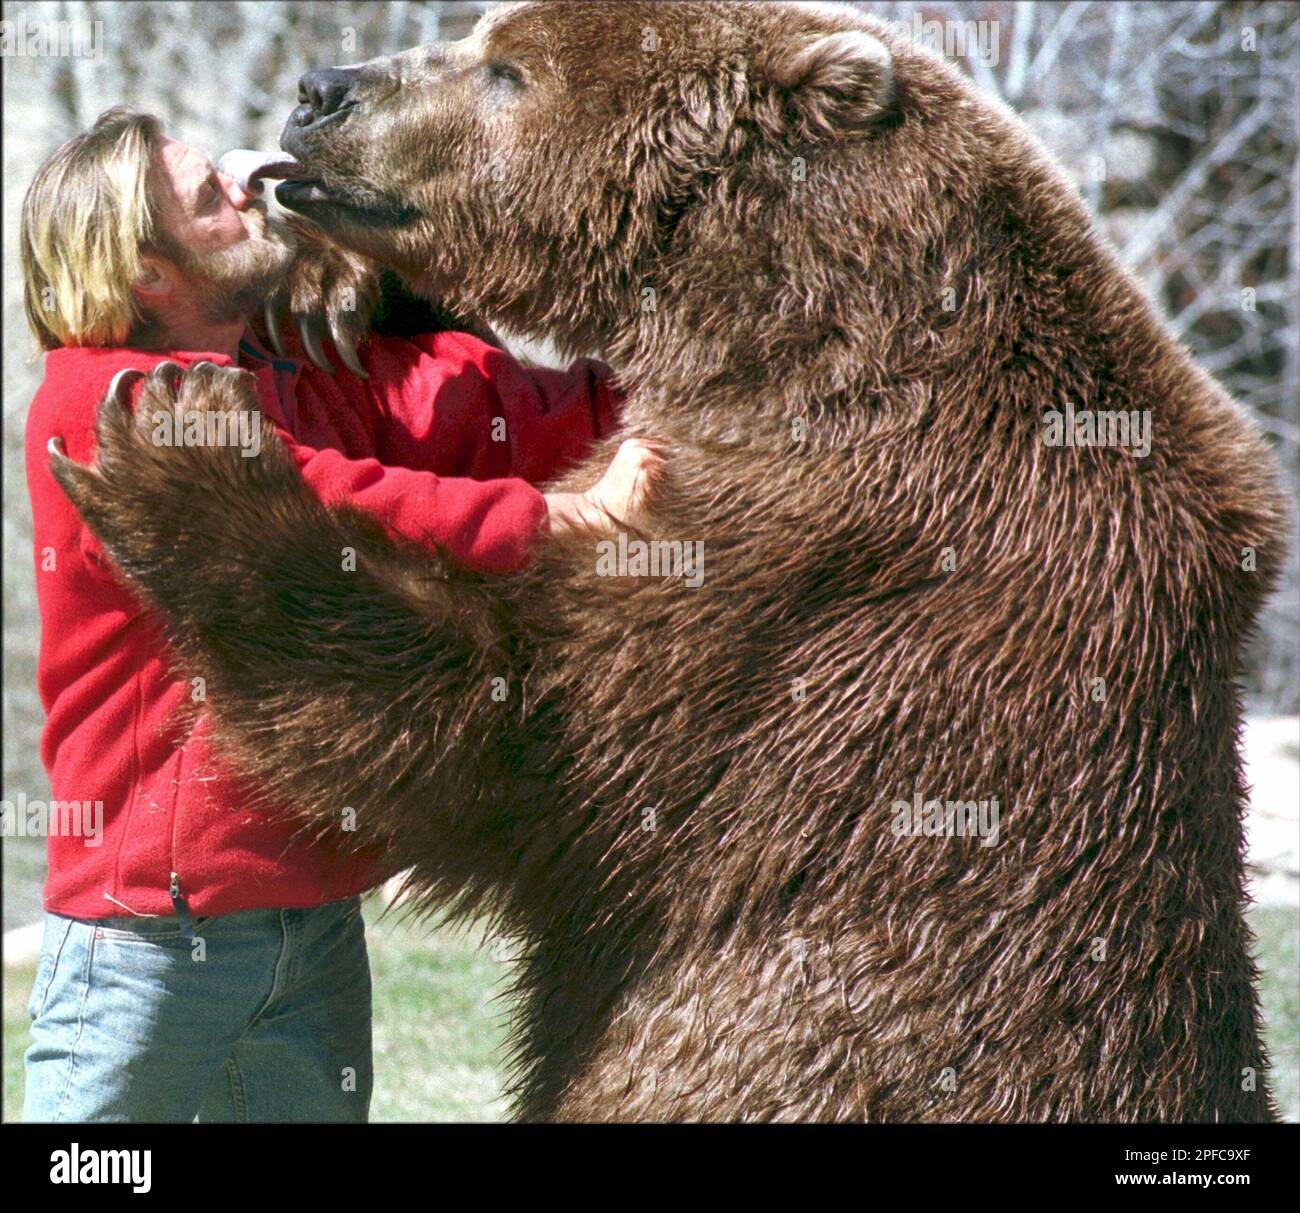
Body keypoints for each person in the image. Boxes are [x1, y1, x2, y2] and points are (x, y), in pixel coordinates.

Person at [19, 106, 659, 1123]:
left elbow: (469, 405)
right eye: (204, 196)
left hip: (310, 918)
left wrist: (688, 393)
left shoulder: (288, 374)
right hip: (149, 935)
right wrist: (554, 516)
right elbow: (310, 494)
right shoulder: (107, 405)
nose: (240, 182)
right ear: (149, 275)